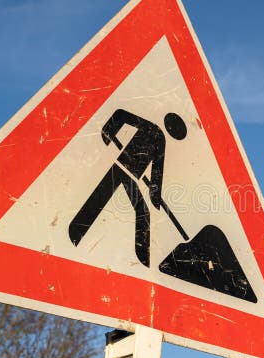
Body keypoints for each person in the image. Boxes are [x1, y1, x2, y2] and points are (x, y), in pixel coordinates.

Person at [68, 109, 187, 267]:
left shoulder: (154, 131)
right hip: (124, 171)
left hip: (124, 172)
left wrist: (108, 131)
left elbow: (120, 115)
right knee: (137, 209)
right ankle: (143, 259)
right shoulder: (159, 139)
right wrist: (155, 197)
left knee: (112, 200)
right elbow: (157, 175)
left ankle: (75, 231)